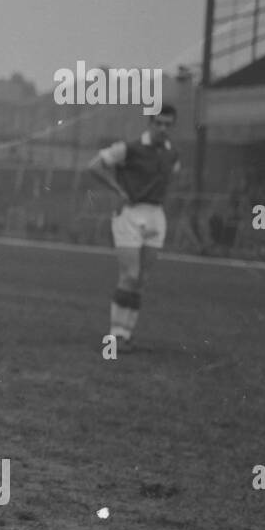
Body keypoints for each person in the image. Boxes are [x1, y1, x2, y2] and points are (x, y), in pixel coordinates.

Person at [85, 105, 180, 351]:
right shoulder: (130, 147)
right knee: (129, 275)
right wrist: (118, 190)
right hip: (130, 214)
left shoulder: (172, 154)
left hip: (155, 216)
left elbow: (172, 177)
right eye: (158, 123)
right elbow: (94, 165)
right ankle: (115, 335)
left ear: (173, 127)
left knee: (142, 279)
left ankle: (127, 334)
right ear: (150, 124)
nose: (162, 128)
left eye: (167, 124)